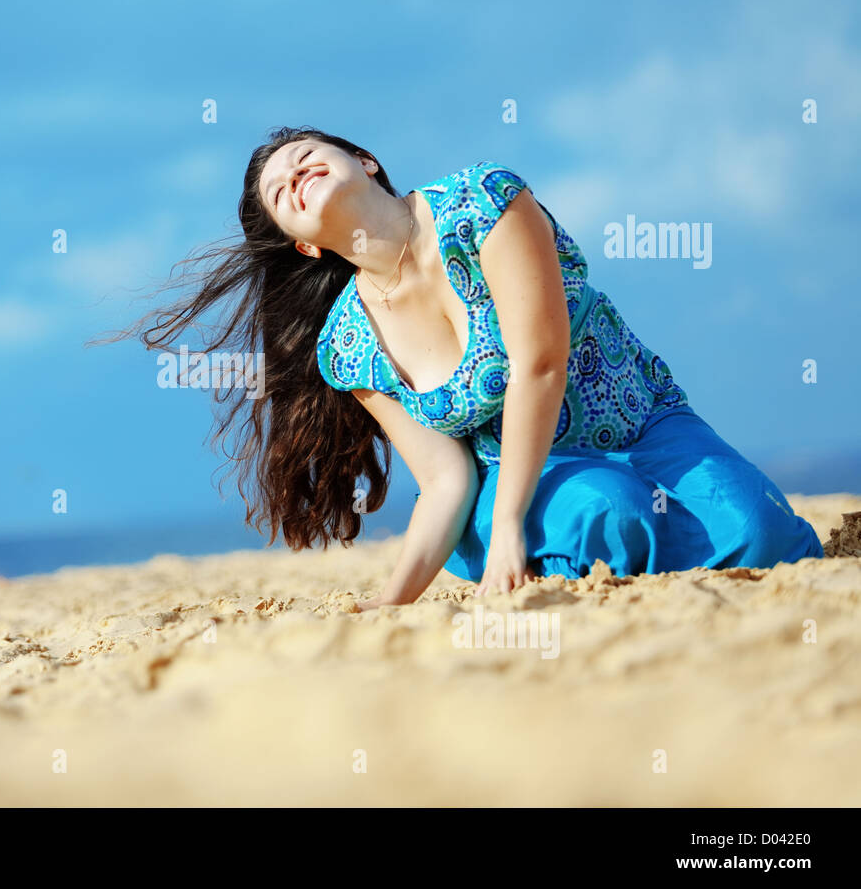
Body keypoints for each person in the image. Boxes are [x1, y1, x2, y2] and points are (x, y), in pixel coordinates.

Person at [101, 126, 824, 606]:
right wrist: (392, 603)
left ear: (367, 162)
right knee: (609, 511)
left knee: (764, 537)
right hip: (509, 474)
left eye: (303, 155)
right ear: (306, 247)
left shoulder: (485, 203)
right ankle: (571, 548)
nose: (292, 173)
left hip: (640, 419)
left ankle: (601, 544)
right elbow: (446, 480)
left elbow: (540, 364)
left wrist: (512, 526)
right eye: (279, 193)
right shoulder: (349, 345)